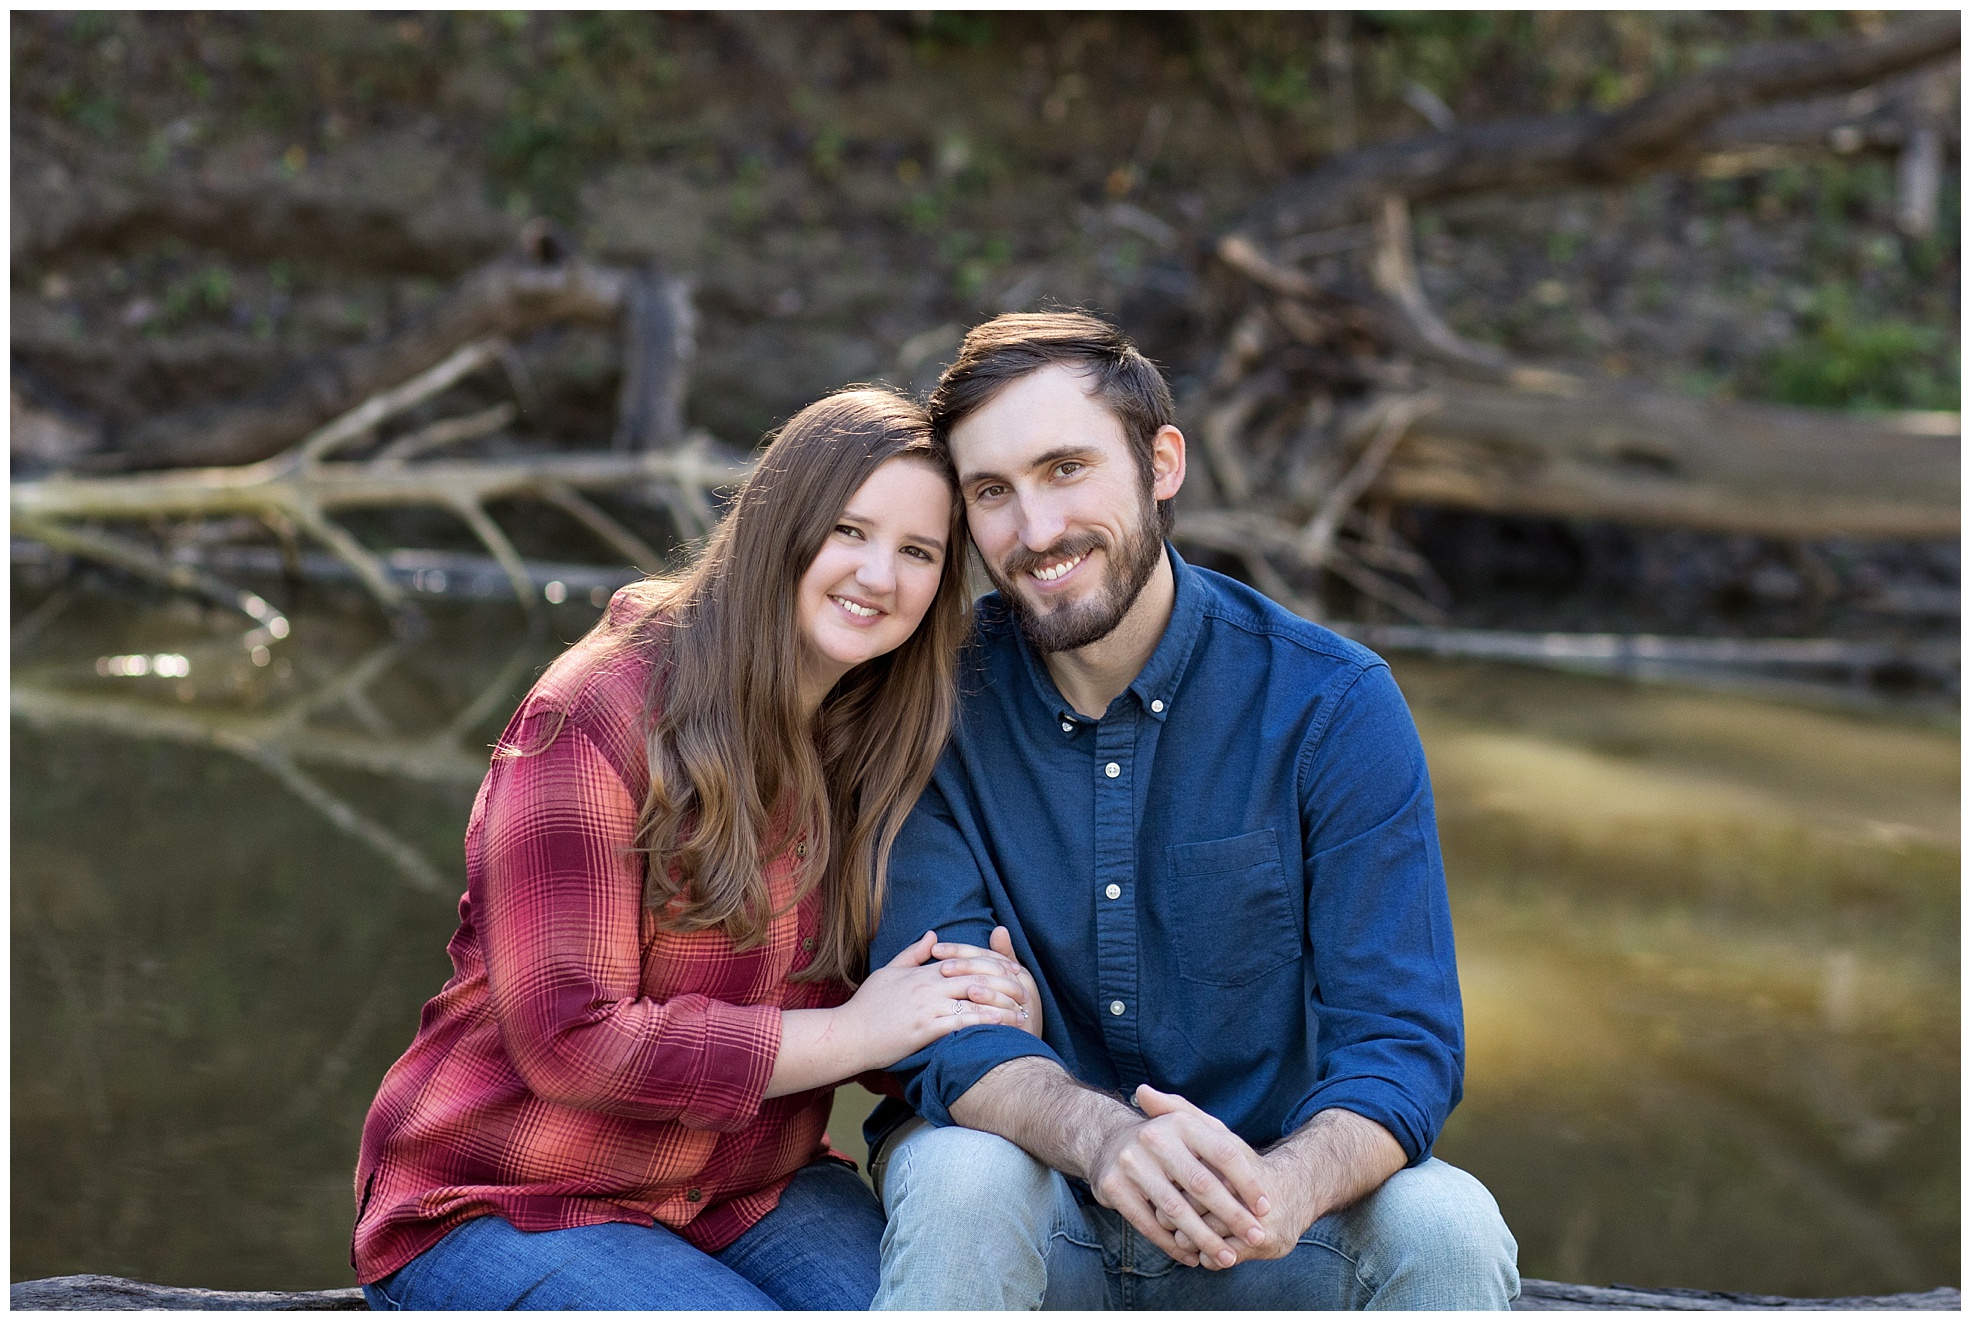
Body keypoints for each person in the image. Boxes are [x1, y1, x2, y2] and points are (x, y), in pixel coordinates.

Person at [864, 313, 1521, 1310]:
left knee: (1450, 1221)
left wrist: (1285, 1187)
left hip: (1270, 1224)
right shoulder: (932, 707)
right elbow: (943, 1034)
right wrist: (1108, 1140)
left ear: (1161, 462)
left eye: (1066, 469)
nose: (1035, 532)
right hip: (1041, 1213)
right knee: (959, 1174)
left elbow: (1403, 1046)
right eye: (992, 492)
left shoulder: (1331, 706)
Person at [350, 387, 1041, 1310]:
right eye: (848, 530)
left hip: (746, 1186)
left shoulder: (881, 734)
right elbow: (571, 1040)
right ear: (778, 524)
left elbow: (872, 1012)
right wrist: (853, 1032)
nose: (879, 575)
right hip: (510, 1194)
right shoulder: (597, 713)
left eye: (918, 552)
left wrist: (970, 1005)